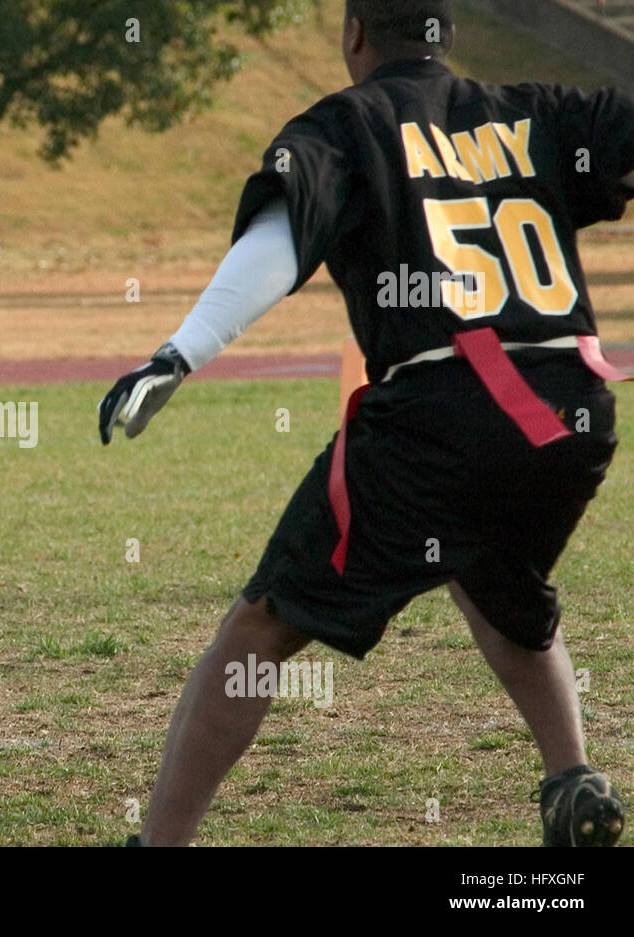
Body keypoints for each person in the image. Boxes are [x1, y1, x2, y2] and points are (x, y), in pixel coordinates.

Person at [99, 0, 634, 846]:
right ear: (447, 32)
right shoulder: (538, 111)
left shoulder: (348, 123)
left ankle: (157, 842)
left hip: (444, 413)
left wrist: (180, 351)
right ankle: (572, 780)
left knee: (262, 626)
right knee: (495, 575)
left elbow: (284, 231)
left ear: (354, 34)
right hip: (574, 417)